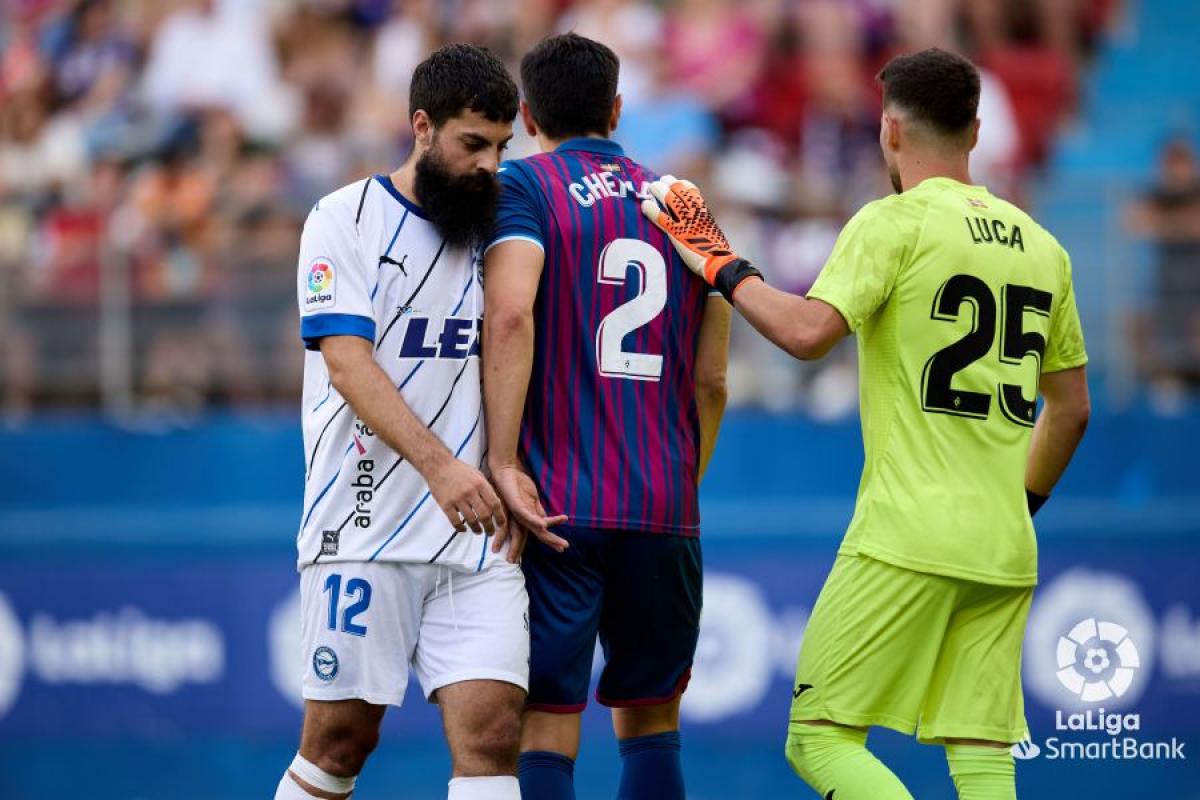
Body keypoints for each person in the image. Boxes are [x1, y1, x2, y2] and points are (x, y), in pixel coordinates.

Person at [642, 48, 1090, 800]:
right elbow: (1071, 408)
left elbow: (808, 333)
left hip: (907, 533)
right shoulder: (1045, 248)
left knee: (817, 736)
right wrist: (1024, 505)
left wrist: (717, 260)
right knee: (981, 755)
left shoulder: (893, 223)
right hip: (1005, 545)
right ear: (976, 132)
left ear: (888, 132)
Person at [277, 44, 541, 800]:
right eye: (471, 144)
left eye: (500, 147)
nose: (490, 165)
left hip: (474, 529)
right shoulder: (343, 219)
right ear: (421, 128)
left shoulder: (496, 231)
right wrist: (440, 466)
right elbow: (348, 363)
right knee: (339, 741)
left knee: (492, 735)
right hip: (361, 523)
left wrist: (500, 462)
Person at [482, 32, 732, 800]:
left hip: (557, 498)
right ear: (618, 110)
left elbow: (513, 314)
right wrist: (680, 480)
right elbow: (713, 375)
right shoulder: (684, 201)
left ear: (526, 114)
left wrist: (502, 460)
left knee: (549, 720)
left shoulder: (522, 187)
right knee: (653, 721)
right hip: (661, 501)